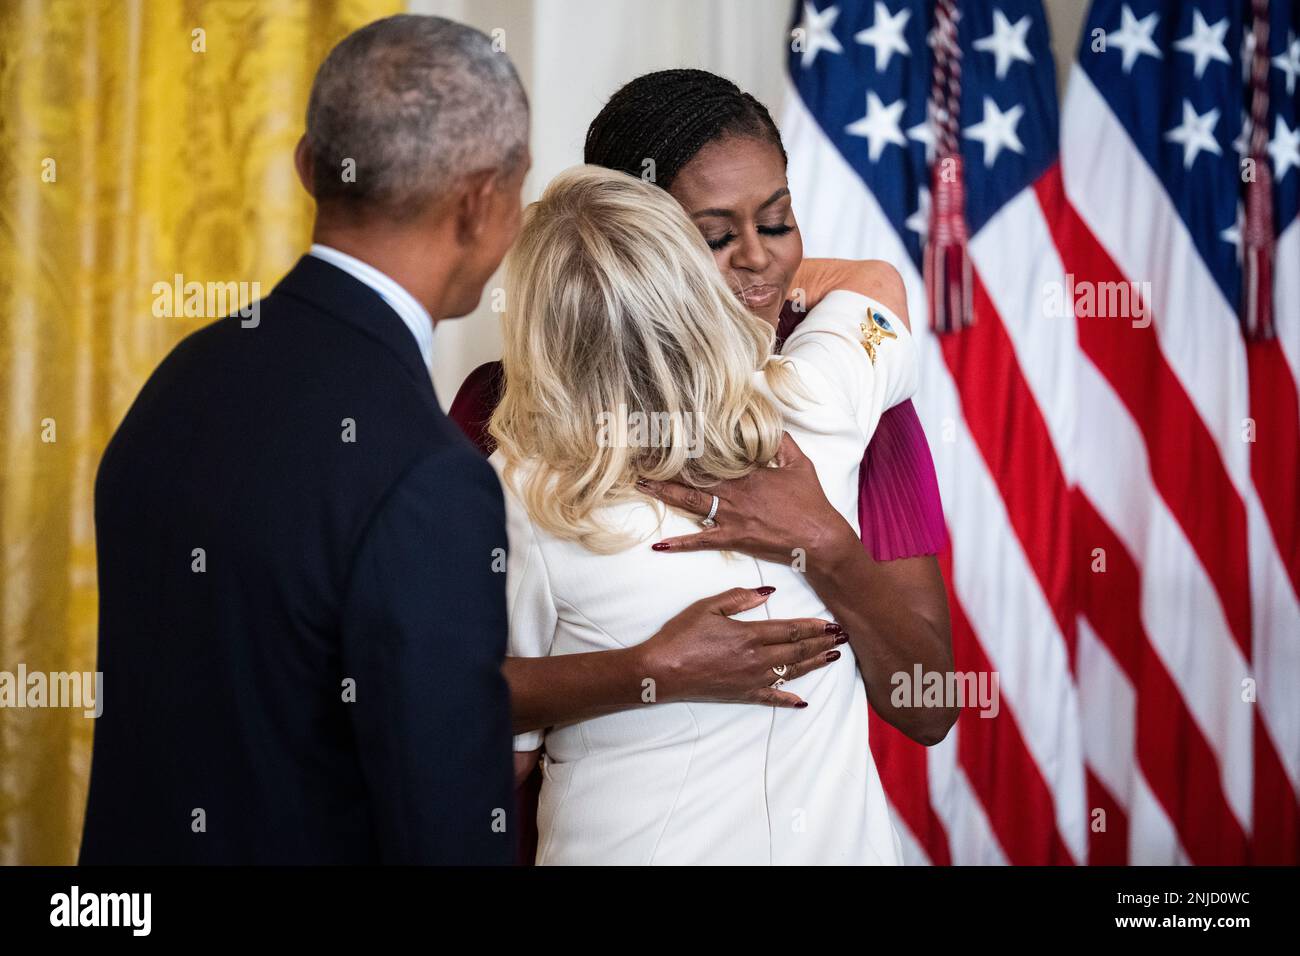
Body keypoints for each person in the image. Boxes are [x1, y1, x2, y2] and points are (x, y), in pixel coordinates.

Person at [449, 69, 955, 861]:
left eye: (778, 221)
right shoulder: (504, 439)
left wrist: (821, 539)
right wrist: (651, 669)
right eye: (713, 238)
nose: (758, 261)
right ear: (638, 251)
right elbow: (468, 716)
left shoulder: (830, 401)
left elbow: (931, 706)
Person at [80, 15, 532, 864]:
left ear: (306, 166)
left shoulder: (179, 383)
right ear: (480, 204)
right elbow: (450, 834)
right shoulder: (429, 476)